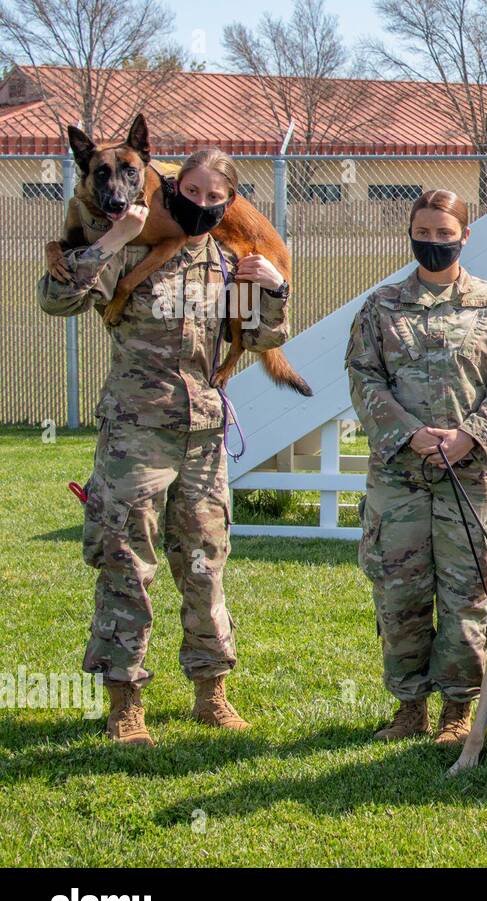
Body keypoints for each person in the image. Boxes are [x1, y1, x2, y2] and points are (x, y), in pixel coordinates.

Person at [38, 149, 291, 746]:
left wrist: (274, 289)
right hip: (134, 435)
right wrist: (114, 238)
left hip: (201, 437)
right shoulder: (127, 246)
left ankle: (212, 692)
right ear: (174, 188)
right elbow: (56, 300)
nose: (203, 205)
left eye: (215, 199)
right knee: (126, 563)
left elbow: (260, 335)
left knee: (205, 565)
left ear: (229, 204)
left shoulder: (232, 261)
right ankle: (125, 701)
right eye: (194, 193)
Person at [346, 188, 487, 744]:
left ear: (464, 236)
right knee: (399, 592)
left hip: (470, 478)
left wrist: (471, 436)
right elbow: (363, 376)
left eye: (443, 234)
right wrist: (408, 432)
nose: (432, 243)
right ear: (410, 235)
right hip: (401, 475)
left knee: (467, 593)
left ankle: (457, 711)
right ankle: (409, 707)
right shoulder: (380, 307)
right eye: (422, 234)